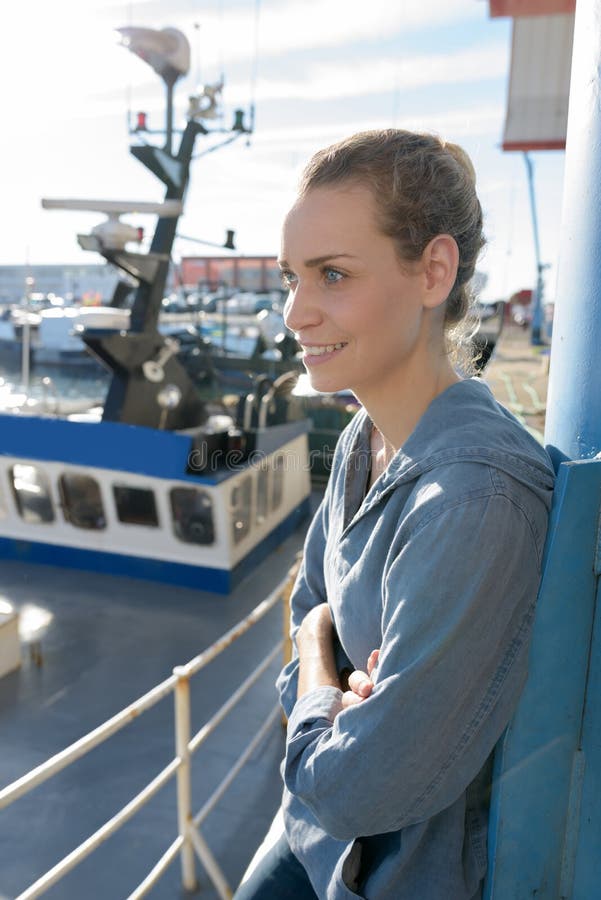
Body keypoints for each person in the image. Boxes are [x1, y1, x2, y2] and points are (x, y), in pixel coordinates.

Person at [233, 129, 554, 900]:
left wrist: (316, 658)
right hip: (309, 835)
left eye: (332, 275)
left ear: (432, 272)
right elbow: (311, 605)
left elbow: (356, 787)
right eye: (291, 278)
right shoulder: (360, 435)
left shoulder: (474, 500)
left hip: (385, 874)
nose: (294, 314)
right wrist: (330, 684)